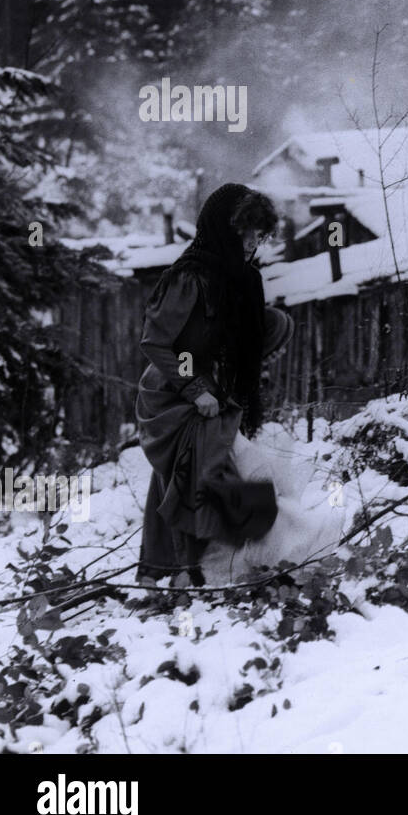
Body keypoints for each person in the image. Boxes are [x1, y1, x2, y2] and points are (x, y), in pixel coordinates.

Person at [135, 183, 294, 587]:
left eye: (260, 234)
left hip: (211, 390)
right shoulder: (191, 276)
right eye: (248, 232)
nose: (254, 243)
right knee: (202, 476)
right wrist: (196, 390)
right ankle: (212, 564)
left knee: (177, 480)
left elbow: (237, 334)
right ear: (228, 228)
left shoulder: (239, 278)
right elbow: (156, 341)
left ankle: (164, 574)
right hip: (174, 392)